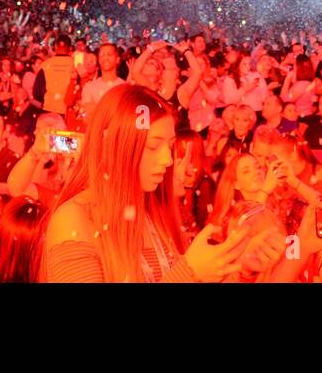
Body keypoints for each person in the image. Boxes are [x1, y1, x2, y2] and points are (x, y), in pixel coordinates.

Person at [40, 84, 258, 282]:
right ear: (118, 146)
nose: (167, 159)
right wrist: (190, 273)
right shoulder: (73, 219)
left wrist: (239, 269)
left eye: (170, 146)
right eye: (153, 147)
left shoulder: (151, 212)